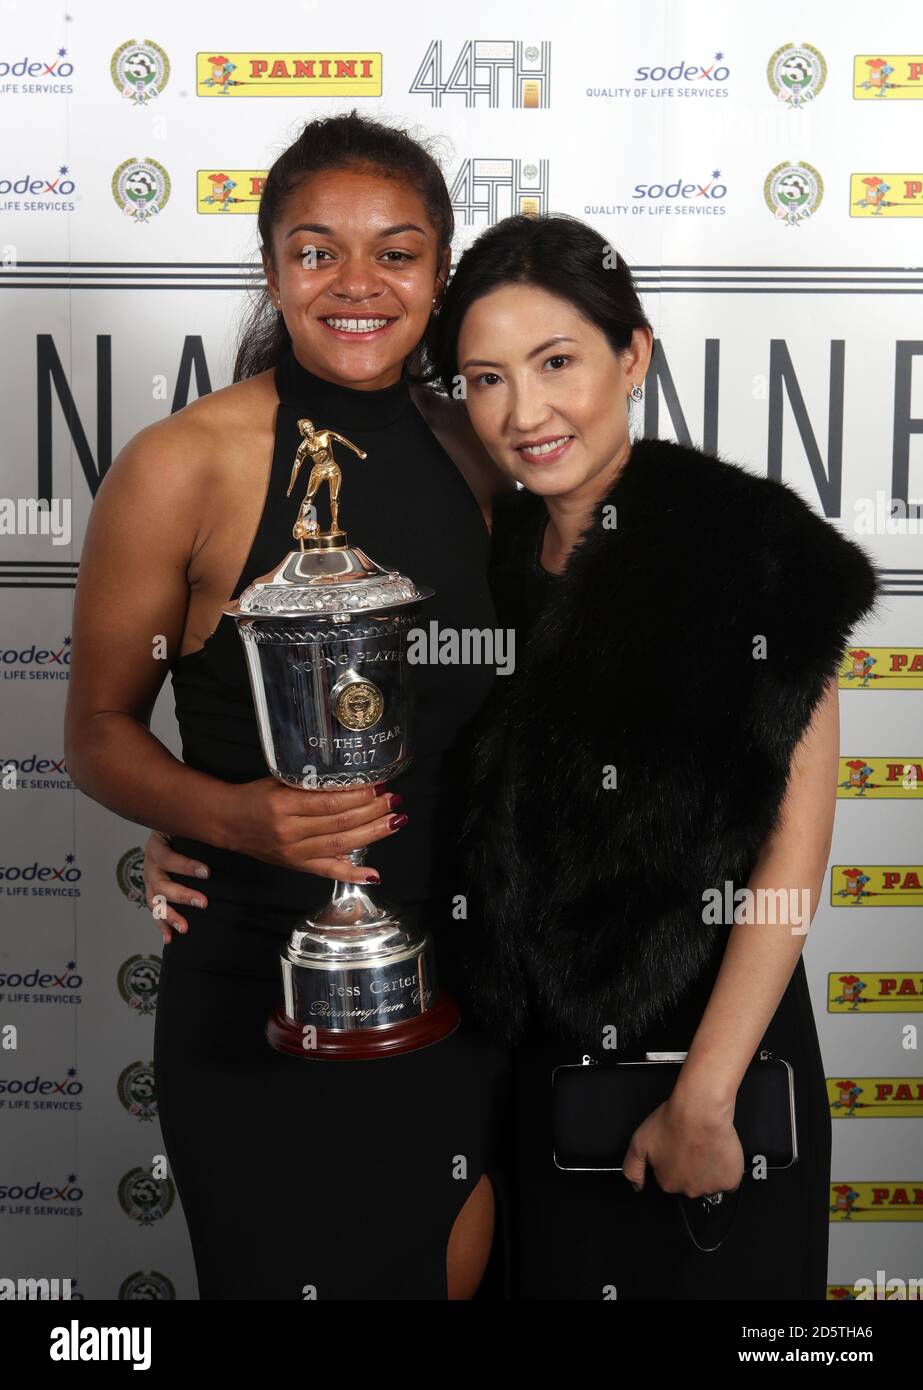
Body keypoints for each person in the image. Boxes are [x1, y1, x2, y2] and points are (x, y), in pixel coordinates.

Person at [64, 111, 515, 1301]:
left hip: (459, 980)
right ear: (272, 268)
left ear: (438, 273)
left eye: (396, 253)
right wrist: (225, 817)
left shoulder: (484, 454)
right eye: (317, 251)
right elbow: (96, 732)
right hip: (253, 982)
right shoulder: (180, 463)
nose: (356, 283)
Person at [423, 212, 882, 1299]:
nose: (523, 412)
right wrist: (205, 822)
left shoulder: (750, 550)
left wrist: (706, 1095)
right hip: (517, 1071)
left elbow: (791, 857)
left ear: (631, 355)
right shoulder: (476, 557)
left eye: (555, 362)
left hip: (702, 1059)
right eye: (485, 379)